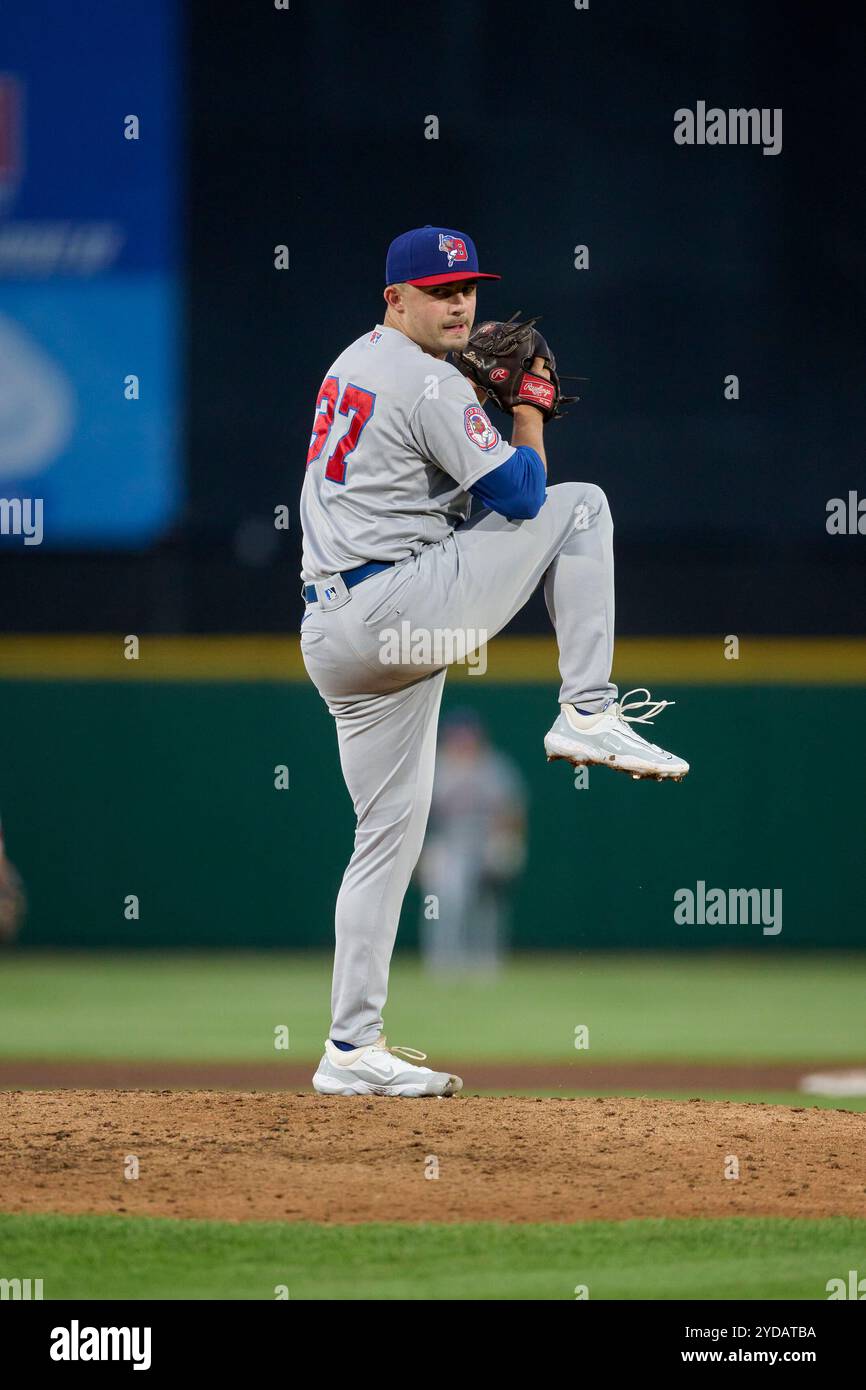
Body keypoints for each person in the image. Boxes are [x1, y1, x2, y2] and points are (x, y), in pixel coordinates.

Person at [299, 224, 688, 1098]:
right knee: (580, 508)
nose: (460, 302)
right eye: (440, 291)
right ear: (394, 299)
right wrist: (525, 412)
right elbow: (521, 494)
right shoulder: (431, 381)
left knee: (384, 847)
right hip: (396, 602)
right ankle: (587, 707)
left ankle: (349, 1049)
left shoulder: (348, 364)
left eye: (467, 287)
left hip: (338, 635)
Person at [416, 708, 527, 976]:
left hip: (484, 841)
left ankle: (485, 962)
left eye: (468, 737)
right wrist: (418, 855)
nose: (463, 743)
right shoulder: (435, 769)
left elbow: (512, 812)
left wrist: (508, 844)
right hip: (448, 842)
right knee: (444, 901)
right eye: (457, 737)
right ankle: (443, 962)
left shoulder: (494, 767)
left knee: (486, 902)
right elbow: (418, 816)